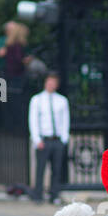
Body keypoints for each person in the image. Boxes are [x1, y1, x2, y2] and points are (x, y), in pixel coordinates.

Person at [28, 71, 69, 205]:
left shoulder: (62, 100)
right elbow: (33, 120)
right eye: (49, 81)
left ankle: (54, 195)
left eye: (54, 82)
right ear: (45, 82)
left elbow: (65, 120)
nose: (51, 84)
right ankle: (37, 195)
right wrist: (36, 139)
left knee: (56, 170)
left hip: (57, 139)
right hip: (43, 139)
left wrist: (64, 139)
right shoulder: (37, 99)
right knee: (40, 168)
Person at [0, 19, 29, 86]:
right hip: (7, 71)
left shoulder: (20, 44)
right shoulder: (3, 40)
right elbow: (1, 53)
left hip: (16, 73)